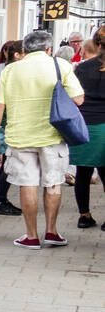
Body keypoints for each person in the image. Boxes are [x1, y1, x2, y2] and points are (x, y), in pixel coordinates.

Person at [0, 28, 85, 249]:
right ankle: (52, 232)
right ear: (49, 48)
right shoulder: (61, 66)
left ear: (26, 49)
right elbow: (78, 99)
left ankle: (31, 236)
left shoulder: (10, 71)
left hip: (20, 137)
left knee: (27, 184)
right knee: (53, 183)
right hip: (53, 136)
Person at [70, 27, 105, 227]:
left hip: (85, 124)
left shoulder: (83, 68)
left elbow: (75, 97)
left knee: (83, 172)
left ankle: (84, 216)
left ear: (97, 45)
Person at [0, 40, 24, 215]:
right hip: (12, 123)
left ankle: (0, 200)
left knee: (8, 163)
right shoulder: (11, 72)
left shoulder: (9, 71)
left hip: (9, 123)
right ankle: (0, 201)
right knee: (9, 164)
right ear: (17, 55)